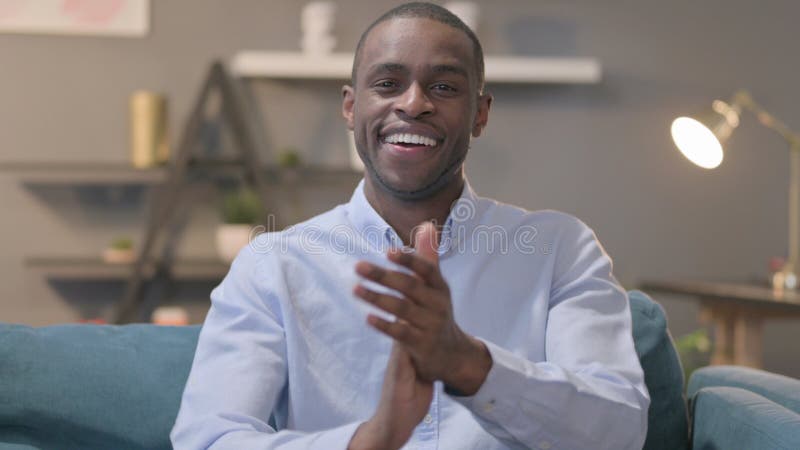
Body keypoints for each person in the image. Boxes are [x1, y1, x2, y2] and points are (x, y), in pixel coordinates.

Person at [171, 3, 650, 449]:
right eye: (387, 83)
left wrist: (470, 366)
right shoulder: (271, 265)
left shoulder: (559, 249)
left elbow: (621, 428)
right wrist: (372, 439)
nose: (414, 103)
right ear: (350, 107)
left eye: (444, 87)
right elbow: (208, 439)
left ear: (480, 114)